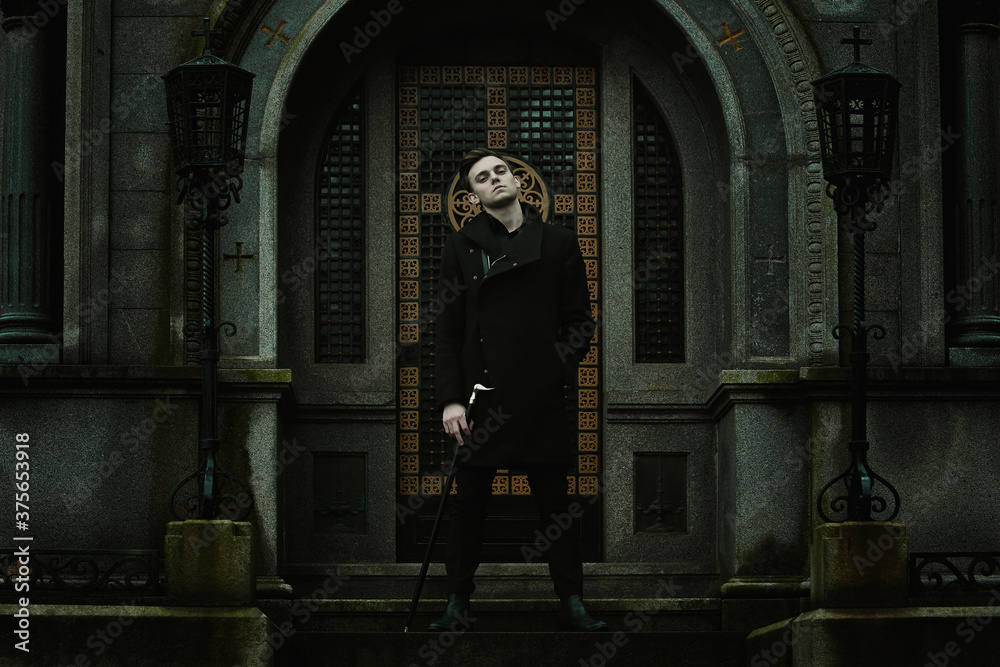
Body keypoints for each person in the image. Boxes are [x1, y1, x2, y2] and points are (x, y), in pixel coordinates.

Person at [431, 147, 606, 632]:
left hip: (539, 396)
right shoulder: (460, 247)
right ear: (473, 196)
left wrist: (549, 371)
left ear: (517, 181)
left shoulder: (557, 242)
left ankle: (571, 601)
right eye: (482, 177)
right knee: (469, 505)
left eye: (500, 171)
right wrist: (450, 398)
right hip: (480, 398)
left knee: (556, 504)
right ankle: (456, 602)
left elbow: (579, 324)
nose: (495, 179)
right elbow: (448, 329)